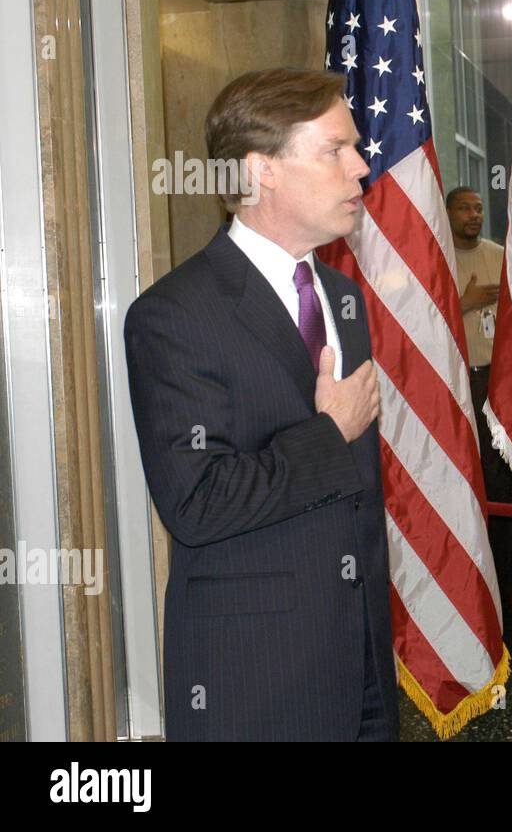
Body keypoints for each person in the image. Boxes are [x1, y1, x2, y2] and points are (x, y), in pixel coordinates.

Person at [123, 68, 398, 740]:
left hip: (362, 672)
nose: (360, 168)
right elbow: (197, 502)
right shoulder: (174, 315)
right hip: (257, 687)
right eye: (334, 150)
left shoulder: (341, 298)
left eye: (354, 148)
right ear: (260, 171)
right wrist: (328, 435)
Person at [448, 185, 512, 615]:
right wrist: (463, 304)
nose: (474, 214)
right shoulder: (434, 257)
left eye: (479, 207)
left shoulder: (500, 256)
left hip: (497, 382)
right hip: (456, 381)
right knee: (465, 481)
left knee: (506, 484)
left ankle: (511, 583)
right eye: (465, 207)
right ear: (448, 213)